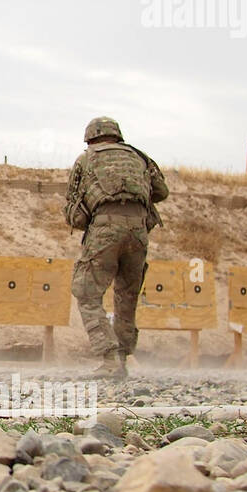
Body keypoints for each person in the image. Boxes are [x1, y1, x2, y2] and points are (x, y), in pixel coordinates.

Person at [65, 116, 168, 380]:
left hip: (104, 229)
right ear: (117, 136)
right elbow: (161, 191)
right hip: (139, 230)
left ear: (90, 138)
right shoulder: (140, 157)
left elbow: (74, 212)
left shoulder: (86, 159)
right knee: (127, 295)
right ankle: (123, 357)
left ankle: (109, 359)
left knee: (86, 292)